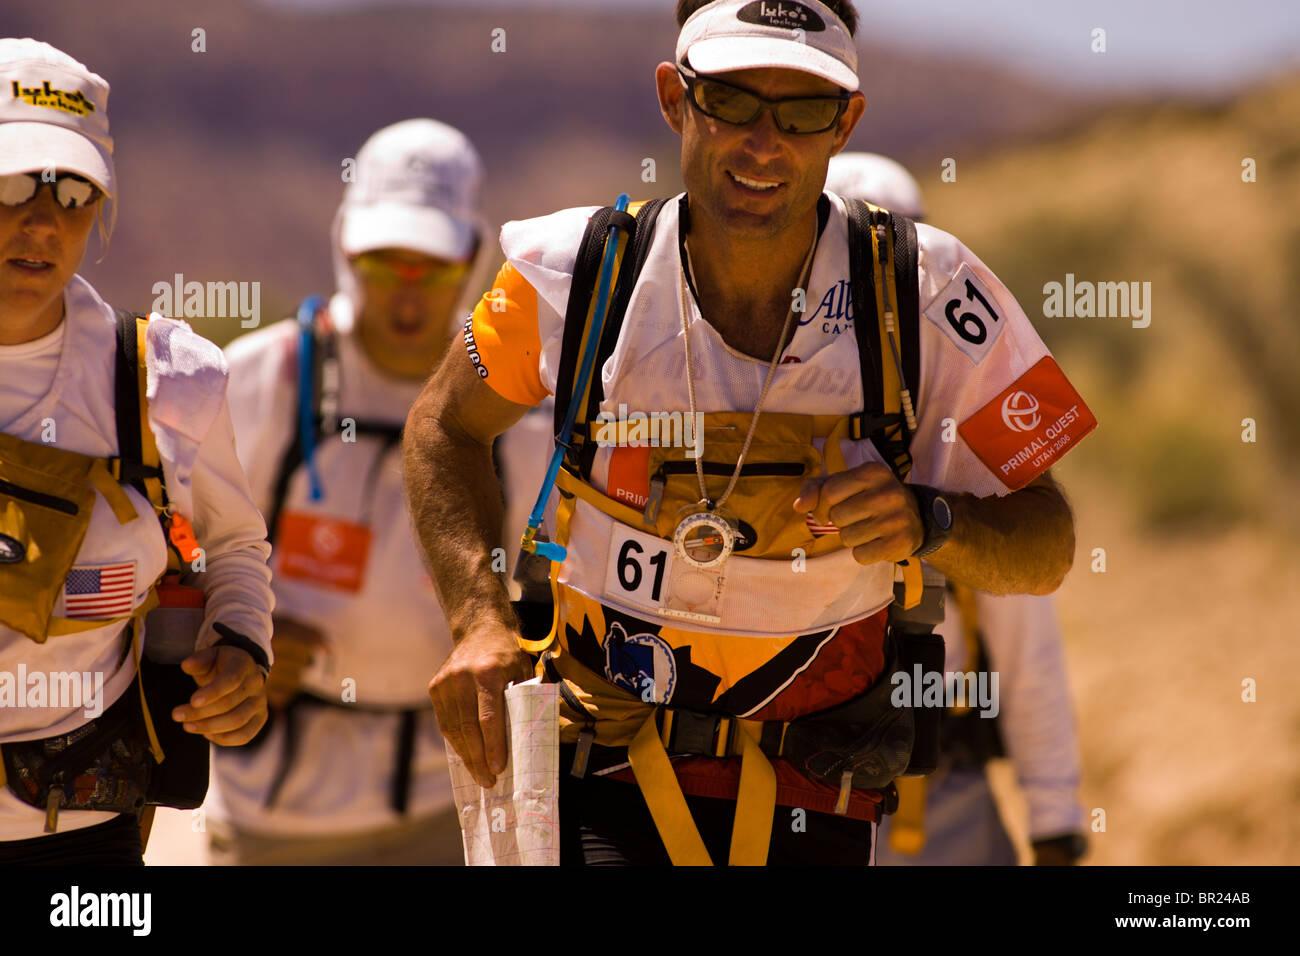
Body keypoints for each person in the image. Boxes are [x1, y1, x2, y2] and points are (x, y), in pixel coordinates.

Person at [403, 0, 1095, 866]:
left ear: (847, 123)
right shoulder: (573, 271)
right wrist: (476, 618)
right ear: (673, 98)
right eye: (731, 99)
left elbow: (1049, 539)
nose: (763, 142)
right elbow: (442, 425)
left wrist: (931, 523)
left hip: (819, 790)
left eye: (802, 110)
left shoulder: (929, 289)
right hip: (598, 768)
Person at [0, 38, 273, 865]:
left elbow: (234, 548)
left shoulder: (167, 379)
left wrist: (241, 648)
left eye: (75, 191)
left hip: (81, 837)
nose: (43, 221)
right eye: (12, 185)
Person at [204, 119, 485, 865]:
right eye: (385, 261)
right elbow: (173, 559)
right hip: (274, 818)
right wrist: (239, 636)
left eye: (430, 264)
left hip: (449, 810)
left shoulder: (513, 402)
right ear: (344, 246)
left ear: (473, 257)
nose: (407, 293)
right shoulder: (258, 378)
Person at [826, 151, 1087, 866]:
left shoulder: (965, 436)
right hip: (779, 794)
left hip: (939, 812)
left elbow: (1027, 643)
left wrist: (1055, 821)